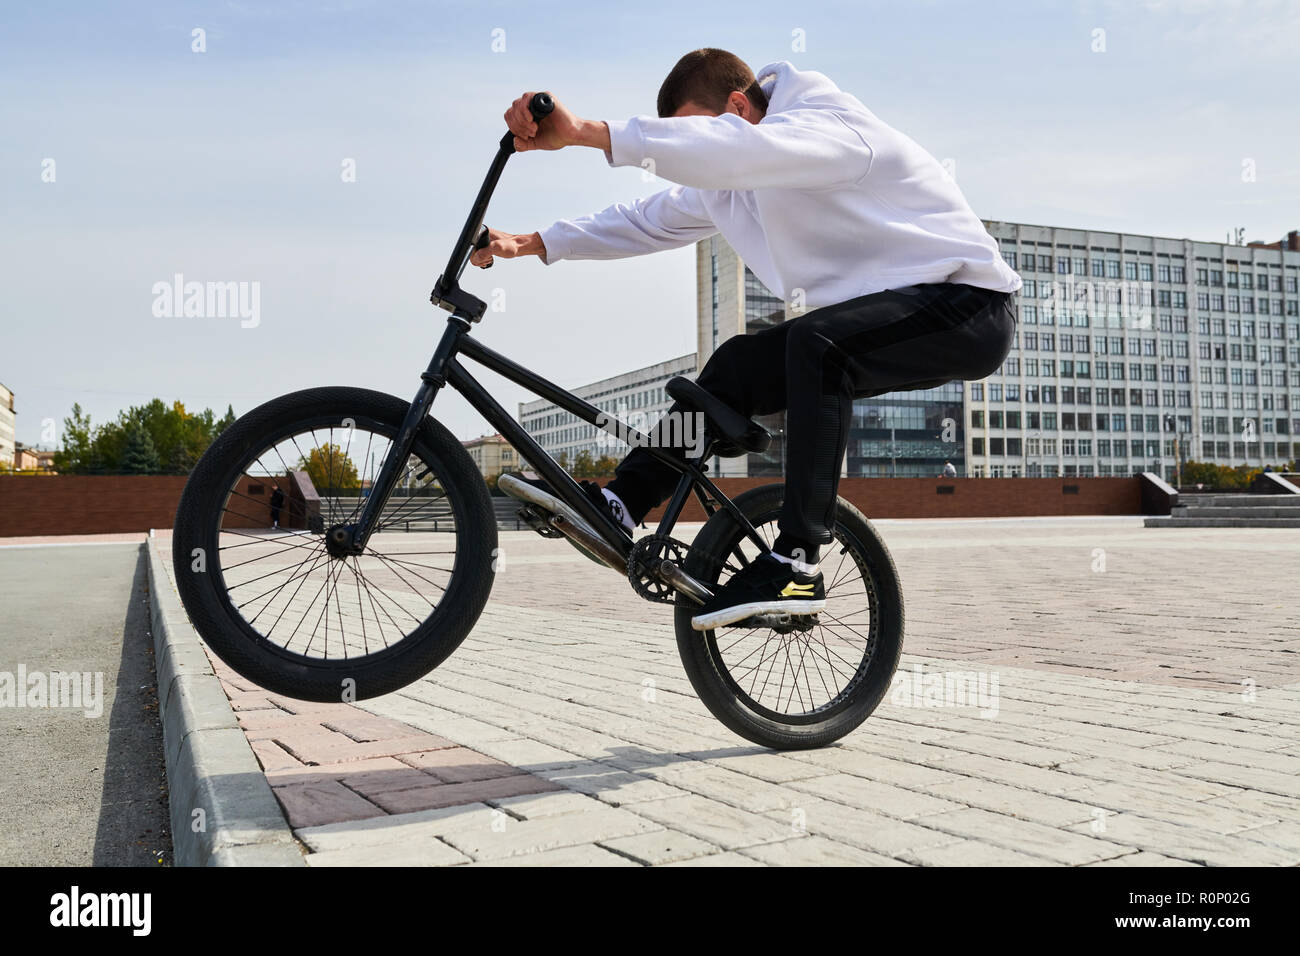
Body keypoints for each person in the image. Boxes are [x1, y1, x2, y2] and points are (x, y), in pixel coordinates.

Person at [477, 49, 1019, 630]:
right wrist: (530, 242)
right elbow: (643, 219)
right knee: (734, 365)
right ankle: (622, 503)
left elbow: (741, 152)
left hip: (969, 306)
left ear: (739, 106)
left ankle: (798, 563)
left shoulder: (829, 126)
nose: (700, 161)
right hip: (883, 317)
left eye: (701, 139)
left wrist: (585, 132)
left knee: (817, 345)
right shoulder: (732, 180)